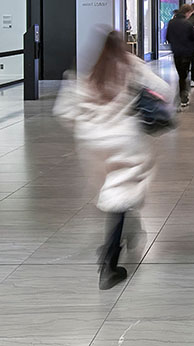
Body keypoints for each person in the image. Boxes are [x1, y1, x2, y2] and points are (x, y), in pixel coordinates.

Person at [53, 30, 173, 290]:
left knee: (112, 191)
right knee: (120, 195)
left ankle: (129, 231)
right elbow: (163, 90)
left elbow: (63, 110)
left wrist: (85, 124)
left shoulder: (87, 73)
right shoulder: (131, 65)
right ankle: (109, 262)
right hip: (124, 141)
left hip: (92, 143)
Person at [165, 6, 194, 108]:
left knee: (181, 74)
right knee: (184, 75)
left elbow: (167, 37)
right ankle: (183, 95)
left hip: (176, 52)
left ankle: (181, 94)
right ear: (187, 12)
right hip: (187, 52)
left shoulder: (171, 23)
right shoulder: (188, 24)